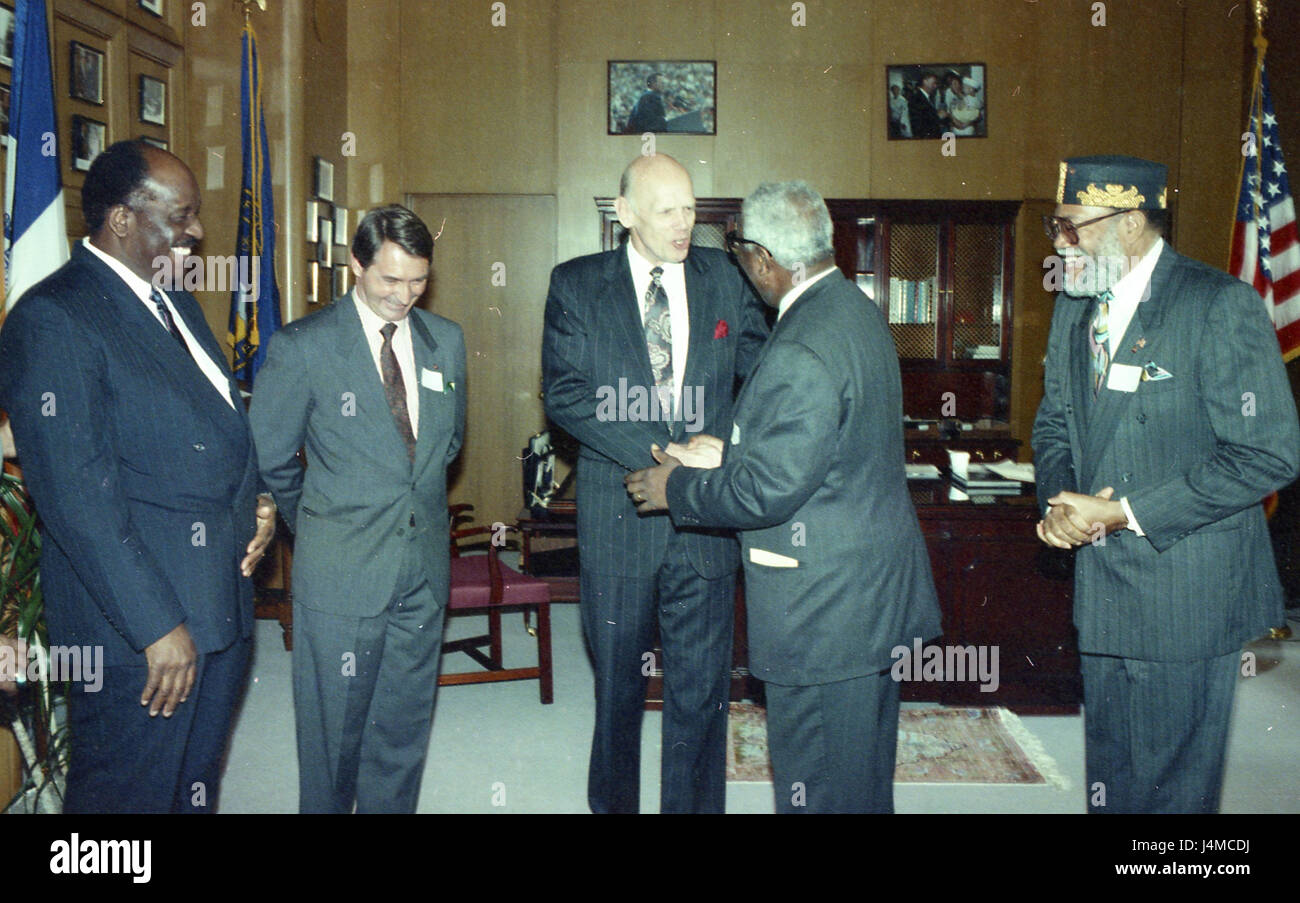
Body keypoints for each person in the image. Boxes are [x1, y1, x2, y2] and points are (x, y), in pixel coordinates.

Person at [625, 181, 941, 813]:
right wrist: (726, 450)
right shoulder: (850, 308)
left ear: (765, 259)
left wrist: (676, 487)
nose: (741, 265)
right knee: (859, 785)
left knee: (820, 788)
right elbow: (820, 449)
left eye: (742, 251)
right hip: (867, 598)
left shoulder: (799, 345)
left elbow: (767, 492)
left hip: (825, 616)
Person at [0, 140, 275, 813]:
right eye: (180, 216)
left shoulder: (173, 297)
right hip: (143, 634)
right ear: (122, 219)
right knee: (125, 808)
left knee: (189, 792)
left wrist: (258, 501)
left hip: (220, 607)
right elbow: (75, 498)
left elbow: (218, 420)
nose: (197, 232)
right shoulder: (53, 317)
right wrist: (157, 626)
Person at [1032, 154, 1300, 813]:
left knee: (1171, 796)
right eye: (1056, 227)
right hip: (1102, 594)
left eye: (1072, 227)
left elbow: (1267, 453)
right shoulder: (1074, 309)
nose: (1060, 243)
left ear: (1129, 223)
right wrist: (1063, 502)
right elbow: (1054, 425)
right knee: (1113, 781)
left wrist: (1123, 511)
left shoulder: (1218, 306)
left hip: (1185, 594)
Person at [542, 152, 767, 813]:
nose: (684, 223)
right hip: (619, 519)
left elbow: (765, 371)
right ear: (626, 213)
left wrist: (732, 444)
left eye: (691, 208)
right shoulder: (577, 284)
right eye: (667, 210)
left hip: (705, 521)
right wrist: (659, 447)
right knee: (618, 691)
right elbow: (565, 393)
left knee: (700, 693)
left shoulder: (725, 277)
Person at [250, 204, 466, 814]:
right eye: (390, 280)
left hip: (422, 572)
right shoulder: (305, 346)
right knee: (333, 742)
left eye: (418, 280)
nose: (405, 295)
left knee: (401, 736)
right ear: (356, 265)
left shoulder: (444, 341)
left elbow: (446, 446)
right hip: (341, 570)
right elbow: (270, 458)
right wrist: (319, 521)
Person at [907, 72, 947, 139]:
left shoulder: (926, 97)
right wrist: (938, 116)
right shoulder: (916, 99)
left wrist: (936, 113)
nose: (935, 86)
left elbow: (926, 114)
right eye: (933, 83)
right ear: (925, 82)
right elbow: (919, 123)